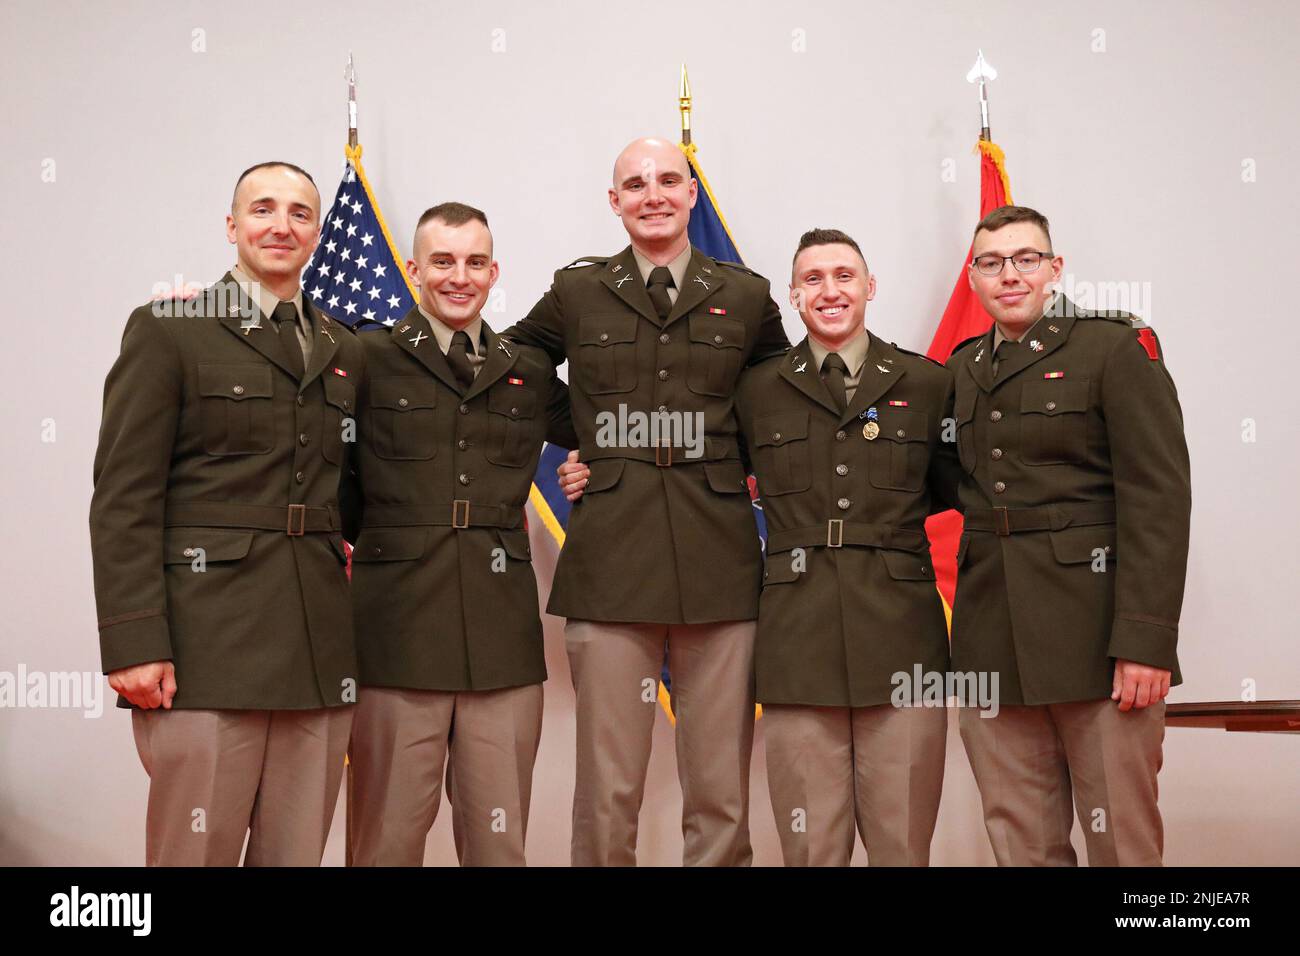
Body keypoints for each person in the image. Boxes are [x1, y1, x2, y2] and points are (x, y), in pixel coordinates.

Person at [508, 136, 790, 866]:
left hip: (721, 560)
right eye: (636, 184)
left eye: (669, 180)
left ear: (692, 193)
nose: (654, 194)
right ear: (615, 202)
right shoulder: (578, 290)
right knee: (607, 789)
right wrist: (592, 438)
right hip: (611, 561)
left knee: (719, 789)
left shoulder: (746, 294)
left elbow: (783, 405)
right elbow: (509, 365)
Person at [90, 161, 365, 866]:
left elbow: (352, 485)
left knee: (295, 853)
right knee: (194, 854)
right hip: (206, 645)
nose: (281, 225)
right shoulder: (171, 327)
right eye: (263, 209)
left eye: (301, 213)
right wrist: (132, 639)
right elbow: (124, 494)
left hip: (315, 649)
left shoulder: (342, 348)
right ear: (231, 226)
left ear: (316, 233)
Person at [947, 204, 1191, 866]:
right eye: (992, 263)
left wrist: (1145, 641)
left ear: (1054, 269)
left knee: (1122, 846)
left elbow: (1158, 496)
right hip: (994, 643)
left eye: (1026, 259)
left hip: (1099, 645)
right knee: (1020, 843)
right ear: (973, 277)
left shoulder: (1112, 347)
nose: (1010, 275)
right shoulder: (964, 368)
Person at [343, 202, 577, 866]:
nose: (459, 276)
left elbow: (613, 426)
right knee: (384, 843)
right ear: (415, 269)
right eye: (442, 261)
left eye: (475, 262)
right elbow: (321, 466)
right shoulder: (366, 358)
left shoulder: (526, 372)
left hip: (499, 643)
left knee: (499, 846)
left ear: (494, 270)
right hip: (395, 637)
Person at [735, 228, 955, 866]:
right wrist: (591, 464)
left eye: (844, 276)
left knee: (904, 847)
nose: (829, 291)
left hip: (902, 639)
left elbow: (967, 489)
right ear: (794, 296)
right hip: (797, 642)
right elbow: (707, 483)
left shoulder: (926, 383)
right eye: (812, 279)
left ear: (870, 286)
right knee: (809, 851)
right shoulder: (756, 390)